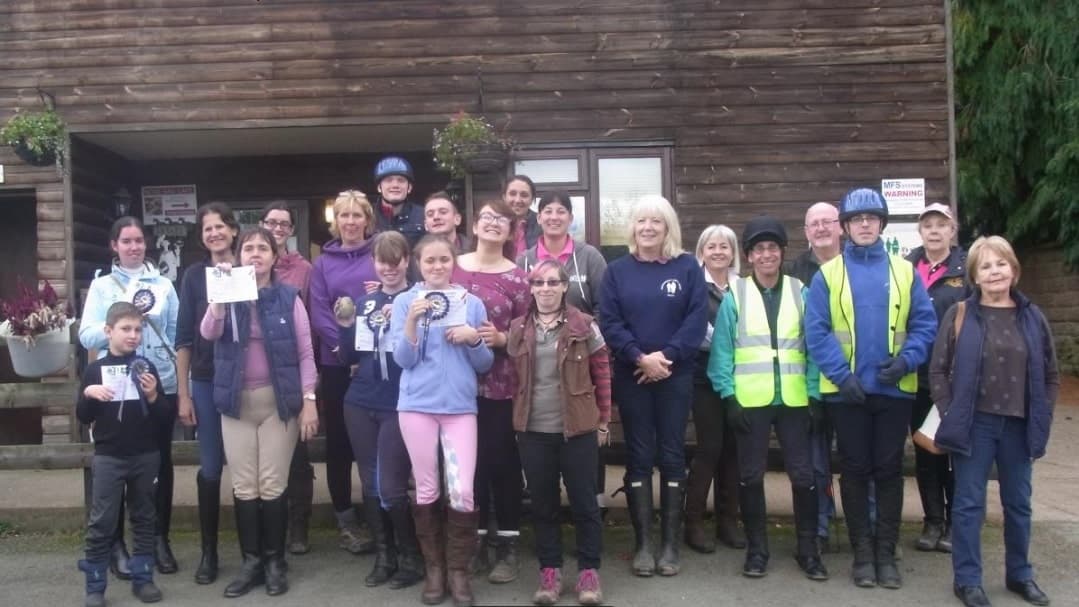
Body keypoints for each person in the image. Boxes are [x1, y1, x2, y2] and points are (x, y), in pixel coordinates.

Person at [805, 187, 937, 589]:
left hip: (894, 391)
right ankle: (862, 554)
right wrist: (841, 376)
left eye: (872, 218)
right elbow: (817, 332)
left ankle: (886, 553)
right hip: (847, 394)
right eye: (857, 219)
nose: (865, 224)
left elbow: (925, 325)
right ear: (845, 227)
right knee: (856, 471)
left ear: (881, 224)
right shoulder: (827, 274)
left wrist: (906, 360)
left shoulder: (903, 271)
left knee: (890, 471)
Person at [930, 236, 1058, 607]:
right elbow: (938, 369)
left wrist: (1044, 414)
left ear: (1013, 269)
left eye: (1000, 263)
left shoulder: (1032, 316)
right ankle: (968, 580)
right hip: (975, 425)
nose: (994, 271)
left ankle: (1020, 575)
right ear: (975, 275)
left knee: (1019, 503)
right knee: (969, 504)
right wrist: (950, 409)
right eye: (985, 266)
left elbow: (1050, 373)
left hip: (1018, 425)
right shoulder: (961, 315)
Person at [200, 227, 319, 598]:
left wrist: (309, 400)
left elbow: (304, 352)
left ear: (274, 256)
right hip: (235, 404)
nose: (255, 254)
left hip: (277, 404)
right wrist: (217, 303)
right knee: (243, 484)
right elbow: (208, 332)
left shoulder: (288, 297)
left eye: (262, 248)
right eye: (248, 248)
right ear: (238, 256)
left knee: (272, 483)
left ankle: (274, 561)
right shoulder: (227, 294)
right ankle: (250, 562)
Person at [707, 217, 827, 581]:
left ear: (781, 252)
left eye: (772, 247)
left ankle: (808, 549)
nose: (766, 254)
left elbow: (814, 349)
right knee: (751, 477)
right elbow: (722, 353)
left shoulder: (800, 292)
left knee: (803, 476)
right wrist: (729, 398)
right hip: (750, 402)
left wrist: (815, 396)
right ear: (749, 256)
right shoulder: (735, 296)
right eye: (759, 249)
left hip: (794, 401)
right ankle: (757, 550)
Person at [598, 195, 708, 578]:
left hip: (675, 376)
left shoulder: (688, 267)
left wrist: (666, 358)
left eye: (656, 222)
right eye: (641, 221)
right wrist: (639, 357)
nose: (647, 228)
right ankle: (644, 543)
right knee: (640, 455)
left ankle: (670, 545)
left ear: (668, 228)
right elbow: (609, 321)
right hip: (633, 376)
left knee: (673, 453)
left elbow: (696, 320)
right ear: (633, 228)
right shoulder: (617, 271)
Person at [391, 234, 494, 607]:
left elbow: (484, 365)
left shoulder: (472, 303)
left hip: (459, 408)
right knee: (426, 488)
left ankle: (459, 571)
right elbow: (403, 360)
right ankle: (434, 569)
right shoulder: (405, 302)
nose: (437, 267)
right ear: (418, 263)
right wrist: (412, 323)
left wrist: (473, 340)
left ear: (454, 263)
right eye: (430, 260)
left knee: (463, 490)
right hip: (416, 406)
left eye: (444, 260)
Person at [80, 216, 181, 577]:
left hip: (158, 383)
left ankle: (158, 539)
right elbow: (87, 334)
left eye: (139, 240)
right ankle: (116, 545)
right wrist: (122, 318)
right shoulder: (102, 286)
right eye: (127, 241)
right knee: (118, 464)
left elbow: (175, 335)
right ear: (115, 246)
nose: (134, 246)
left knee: (159, 464)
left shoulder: (165, 286)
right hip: (117, 385)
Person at [507, 260, 612, 606]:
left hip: (578, 429)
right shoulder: (518, 328)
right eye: (539, 282)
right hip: (533, 431)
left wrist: (602, 421)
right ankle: (549, 573)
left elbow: (602, 373)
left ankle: (588, 572)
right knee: (543, 506)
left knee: (584, 503)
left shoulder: (585, 326)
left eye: (553, 282)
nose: (546, 288)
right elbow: (514, 379)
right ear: (532, 287)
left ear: (565, 286)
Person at [333, 231, 424, 590]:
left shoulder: (418, 299)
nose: (389, 267)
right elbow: (348, 357)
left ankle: (410, 555)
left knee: (392, 482)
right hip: (360, 400)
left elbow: (423, 353)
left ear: (407, 261)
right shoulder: (364, 301)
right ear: (374, 263)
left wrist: (404, 321)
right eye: (382, 261)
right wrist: (344, 326)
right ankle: (384, 556)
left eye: (395, 260)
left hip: (399, 401)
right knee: (370, 480)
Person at [453, 199, 531, 584]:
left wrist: (503, 337)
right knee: (470, 466)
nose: (493, 224)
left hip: (499, 385)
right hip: (454, 384)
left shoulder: (518, 278)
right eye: (488, 218)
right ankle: (477, 540)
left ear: (512, 230)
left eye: (502, 220)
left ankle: (508, 546)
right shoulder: (452, 267)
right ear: (476, 223)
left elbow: (527, 332)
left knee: (501, 464)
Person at [77, 301, 169, 607]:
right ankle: (95, 585)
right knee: (102, 520)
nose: (133, 335)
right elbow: (83, 414)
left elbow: (164, 417)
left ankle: (143, 579)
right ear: (108, 331)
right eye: (125, 329)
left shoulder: (146, 367)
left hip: (145, 455)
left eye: (138, 330)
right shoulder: (94, 369)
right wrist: (89, 394)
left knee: (144, 517)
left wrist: (154, 395)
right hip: (109, 457)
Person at [308, 189, 378, 554]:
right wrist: (345, 349)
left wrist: (365, 351)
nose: (350, 222)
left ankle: (380, 517)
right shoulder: (323, 263)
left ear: (367, 219)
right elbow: (319, 312)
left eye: (356, 215)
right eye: (343, 216)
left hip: (377, 361)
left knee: (379, 441)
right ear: (335, 221)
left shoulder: (380, 254)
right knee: (340, 444)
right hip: (337, 364)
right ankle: (346, 521)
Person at [175, 202, 240, 584]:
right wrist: (183, 393)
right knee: (211, 468)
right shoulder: (194, 277)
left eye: (220, 226)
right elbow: (184, 337)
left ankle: (259, 552)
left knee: (250, 471)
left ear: (233, 230)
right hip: (205, 379)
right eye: (207, 229)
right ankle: (209, 553)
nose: (214, 233)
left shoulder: (251, 269)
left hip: (246, 380)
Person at [905, 202, 969, 554]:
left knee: (954, 451)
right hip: (917, 377)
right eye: (927, 224)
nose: (934, 230)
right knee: (925, 451)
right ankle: (932, 522)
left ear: (952, 230)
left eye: (940, 224)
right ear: (920, 231)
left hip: (954, 378)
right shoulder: (905, 267)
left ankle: (956, 523)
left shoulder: (967, 269)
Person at [259, 201, 316, 556]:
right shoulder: (247, 265)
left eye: (284, 224)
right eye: (272, 223)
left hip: (291, 371)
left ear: (292, 230)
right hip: (255, 374)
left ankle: (299, 526)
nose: (278, 228)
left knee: (298, 454)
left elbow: (307, 322)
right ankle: (266, 528)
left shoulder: (304, 269)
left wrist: (310, 388)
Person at [785, 201, 843, 553]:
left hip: (853, 379)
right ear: (806, 232)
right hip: (811, 381)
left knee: (857, 462)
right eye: (814, 224)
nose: (821, 228)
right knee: (817, 464)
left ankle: (864, 527)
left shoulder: (857, 265)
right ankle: (820, 528)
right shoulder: (795, 272)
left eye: (827, 222)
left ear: (840, 228)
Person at [684, 224, 745, 553]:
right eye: (712, 246)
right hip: (703, 374)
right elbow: (697, 329)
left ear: (733, 252)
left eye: (725, 246)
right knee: (710, 447)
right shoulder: (694, 286)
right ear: (701, 252)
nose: (719, 251)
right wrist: (729, 338)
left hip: (740, 376)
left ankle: (727, 522)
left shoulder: (743, 287)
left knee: (734, 449)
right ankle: (692, 522)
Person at [516, 190, 607, 315]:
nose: (554, 217)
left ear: (570, 218)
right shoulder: (524, 261)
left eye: (561, 211)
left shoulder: (590, 257)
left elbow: (604, 306)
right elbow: (517, 309)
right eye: (548, 211)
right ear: (539, 218)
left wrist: (591, 331)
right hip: (536, 334)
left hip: (582, 334)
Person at [373, 155, 426, 248]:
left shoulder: (424, 215)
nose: (395, 185)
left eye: (401, 180)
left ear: (409, 188)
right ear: (379, 187)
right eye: (388, 180)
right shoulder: (367, 216)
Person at [503, 175, 541, 258]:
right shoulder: (495, 224)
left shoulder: (542, 224)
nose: (517, 200)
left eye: (524, 195)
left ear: (532, 200)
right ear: (504, 197)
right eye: (512, 194)